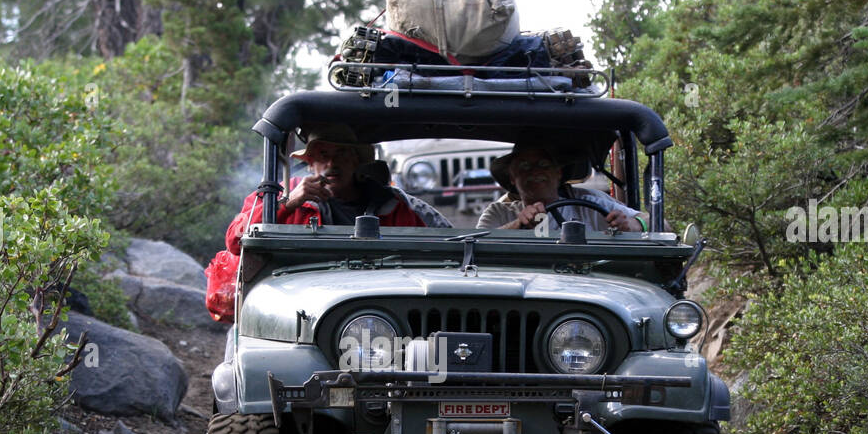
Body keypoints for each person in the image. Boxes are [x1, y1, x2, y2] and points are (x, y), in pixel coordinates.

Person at [208, 125, 450, 322]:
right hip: (296, 309)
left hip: (381, 311)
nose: (333, 164)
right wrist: (287, 204)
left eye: (343, 154)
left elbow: (444, 250)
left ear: (356, 162)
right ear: (310, 162)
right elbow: (235, 240)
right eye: (324, 155)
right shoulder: (278, 197)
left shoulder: (395, 206)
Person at [476, 142, 648, 234]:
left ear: (558, 172)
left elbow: (660, 224)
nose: (535, 171)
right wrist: (518, 225)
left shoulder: (588, 205)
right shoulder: (498, 212)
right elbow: (473, 244)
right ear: (512, 178)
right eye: (525, 166)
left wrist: (632, 225)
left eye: (544, 164)